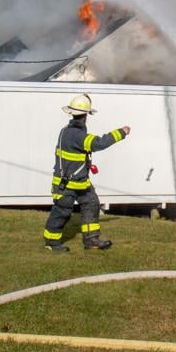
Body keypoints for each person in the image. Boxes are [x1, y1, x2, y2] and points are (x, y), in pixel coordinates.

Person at [42, 94, 130, 252]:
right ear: (86, 115)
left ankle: (91, 240)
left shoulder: (68, 131)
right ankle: (52, 243)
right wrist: (121, 132)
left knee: (91, 204)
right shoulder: (76, 134)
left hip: (80, 182)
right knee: (62, 212)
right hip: (66, 185)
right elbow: (99, 143)